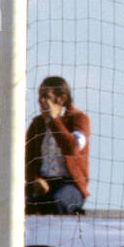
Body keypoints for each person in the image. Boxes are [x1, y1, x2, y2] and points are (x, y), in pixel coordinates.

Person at [25, 76, 90, 215]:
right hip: (42, 183)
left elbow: (72, 148)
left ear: (62, 99)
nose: (40, 101)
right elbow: (27, 158)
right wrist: (34, 179)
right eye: (39, 96)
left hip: (69, 185)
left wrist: (53, 120)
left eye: (45, 96)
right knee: (17, 204)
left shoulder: (79, 119)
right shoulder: (36, 124)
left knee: (57, 203)